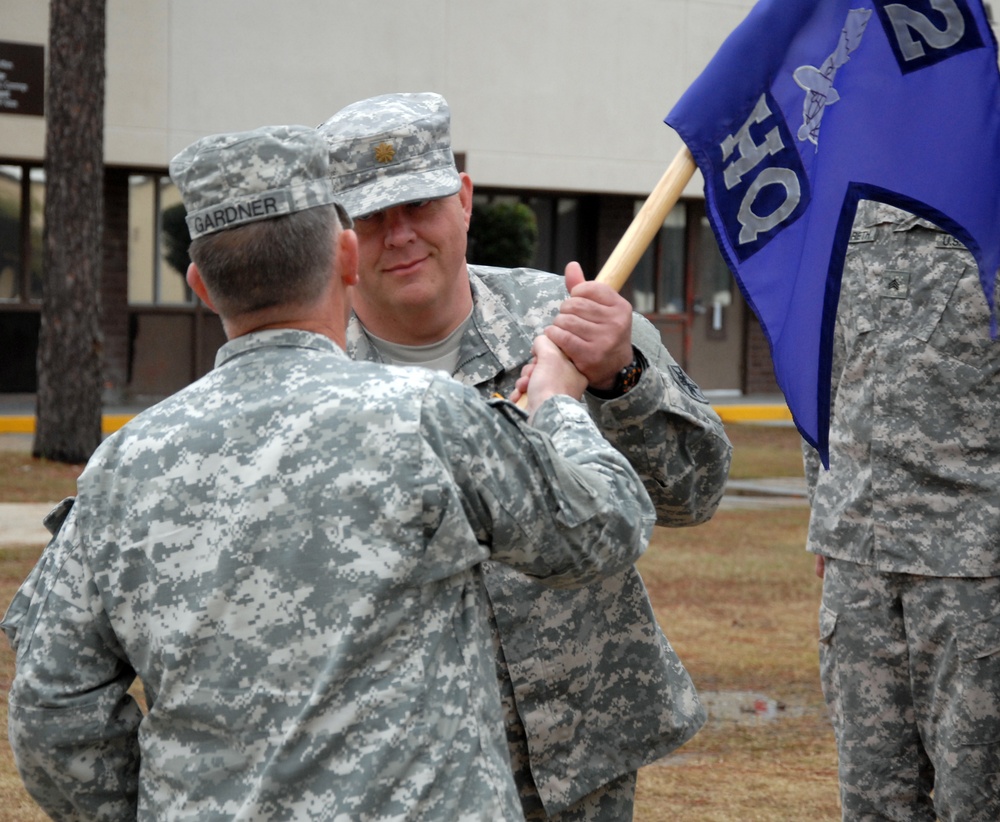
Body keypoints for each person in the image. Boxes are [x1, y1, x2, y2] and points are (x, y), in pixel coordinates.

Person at [3, 124, 659, 821]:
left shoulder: (121, 464)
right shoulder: (429, 417)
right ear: (348, 255)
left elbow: (53, 707)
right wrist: (558, 404)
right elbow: (607, 527)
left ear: (200, 286)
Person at [318, 92, 733, 821]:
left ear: (464, 200)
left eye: (419, 205)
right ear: (342, 240)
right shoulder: (318, 376)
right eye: (374, 217)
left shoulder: (572, 319)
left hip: (580, 749)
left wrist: (621, 378)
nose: (401, 235)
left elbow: (694, 495)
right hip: (408, 770)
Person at [802, 198, 1000, 821]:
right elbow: (821, 381)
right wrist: (825, 509)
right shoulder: (847, 211)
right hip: (858, 557)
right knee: (872, 800)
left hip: (974, 564)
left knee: (978, 798)